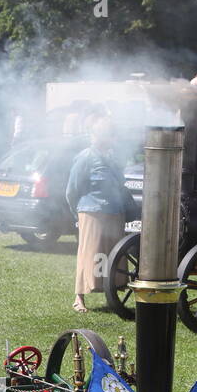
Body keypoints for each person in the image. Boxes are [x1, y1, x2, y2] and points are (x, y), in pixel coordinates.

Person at [65, 117, 127, 314]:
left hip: (115, 211)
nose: (110, 138)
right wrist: (78, 212)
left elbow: (120, 183)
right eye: (106, 134)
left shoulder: (114, 157)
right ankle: (79, 298)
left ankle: (112, 292)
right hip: (91, 211)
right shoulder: (85, 157)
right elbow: (72, 190)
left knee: (113, 255)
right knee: (89, 255)